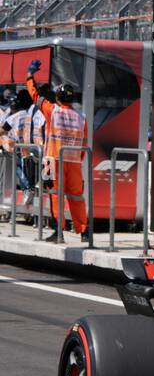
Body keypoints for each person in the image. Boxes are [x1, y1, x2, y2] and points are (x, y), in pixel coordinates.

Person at [25, 60, 88, 241]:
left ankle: (58, 231)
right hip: (74, 161)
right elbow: (84, 142)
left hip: (51, 160)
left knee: (54, 194)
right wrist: (78, 158)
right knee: (76, 197)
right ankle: (84, 231)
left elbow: (35, 96)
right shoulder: (81, 117)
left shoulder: (52, 110)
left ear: (58, 98)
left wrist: (30, 75)